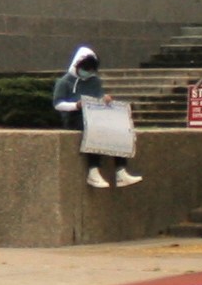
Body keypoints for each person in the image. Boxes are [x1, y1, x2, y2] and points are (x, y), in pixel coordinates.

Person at [52, 46, 143, 189]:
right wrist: (76, 105)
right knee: (93, 129)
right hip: (75, 117)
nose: (87, 73)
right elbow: (58, 104)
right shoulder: (64, 82)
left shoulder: (94, 81)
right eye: (85, 69)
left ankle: (121, 170)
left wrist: (104, 99)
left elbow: (98, 97)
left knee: (119, 128)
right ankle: (93, 171)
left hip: (96, 114)